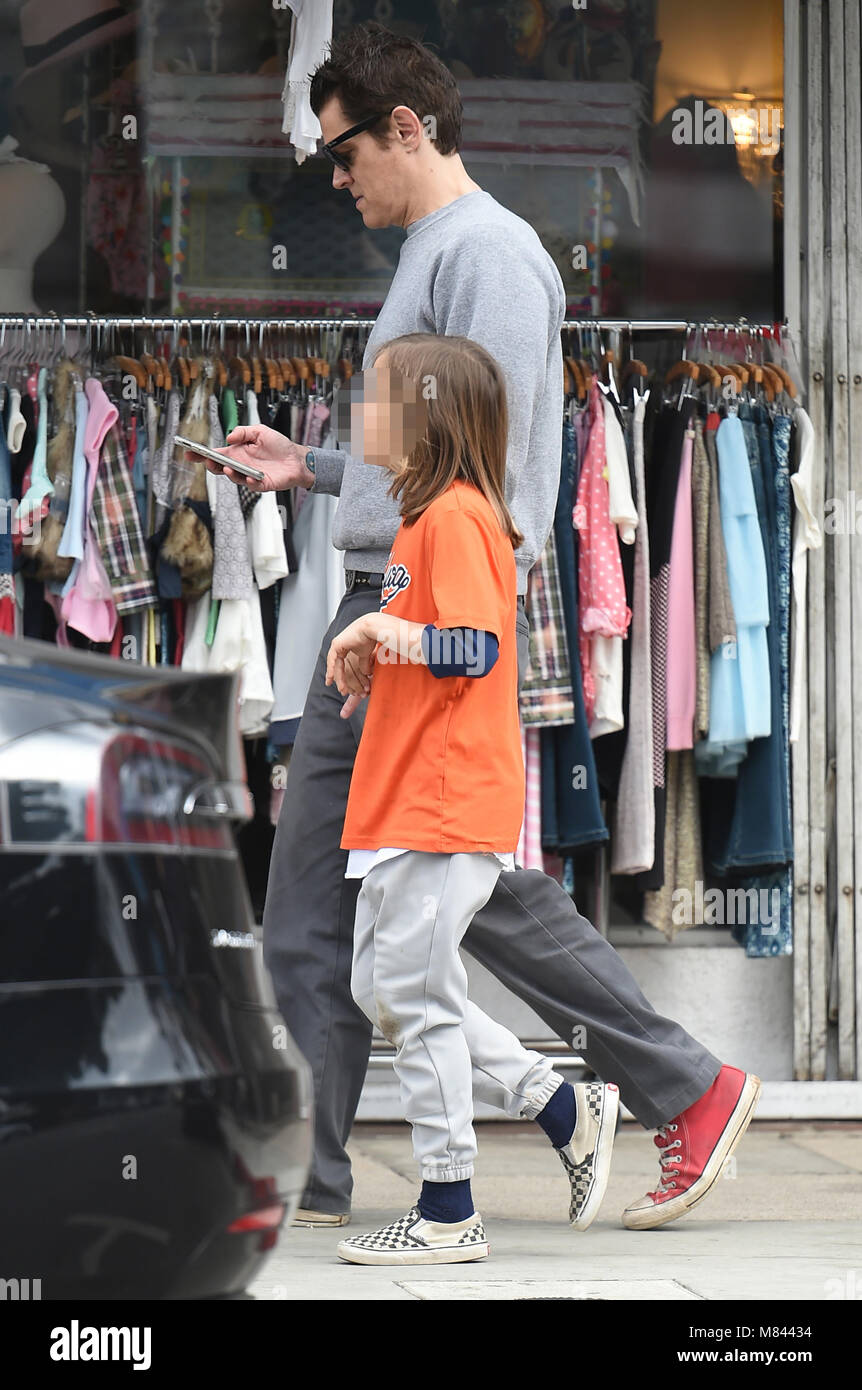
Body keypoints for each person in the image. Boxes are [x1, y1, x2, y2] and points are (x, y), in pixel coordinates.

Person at [208, 22, 760, 1233]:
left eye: (344, 154)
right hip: (387, 595)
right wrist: (305, 464)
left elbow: (484, 479)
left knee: (427, 884)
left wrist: (412, 623)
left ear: (407, 128)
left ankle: (678, 1086)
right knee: (366, 890)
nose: (335, 180)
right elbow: (424, 446)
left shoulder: (491, 258)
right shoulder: (439, 254)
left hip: (412, 604)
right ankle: (326, 1163)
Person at [327, 333, 620, 1264]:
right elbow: (436, 643)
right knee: (391, 987)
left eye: (378, 398)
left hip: (442, 799)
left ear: (423, 409)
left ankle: (449, 1207)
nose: (363, 414)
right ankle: (562, 1105)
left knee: (410, 996)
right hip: (415, 791)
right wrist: (382, 652)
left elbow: (476, 650)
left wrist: (381, 626)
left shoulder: (454, 517)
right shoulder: (430, 520)